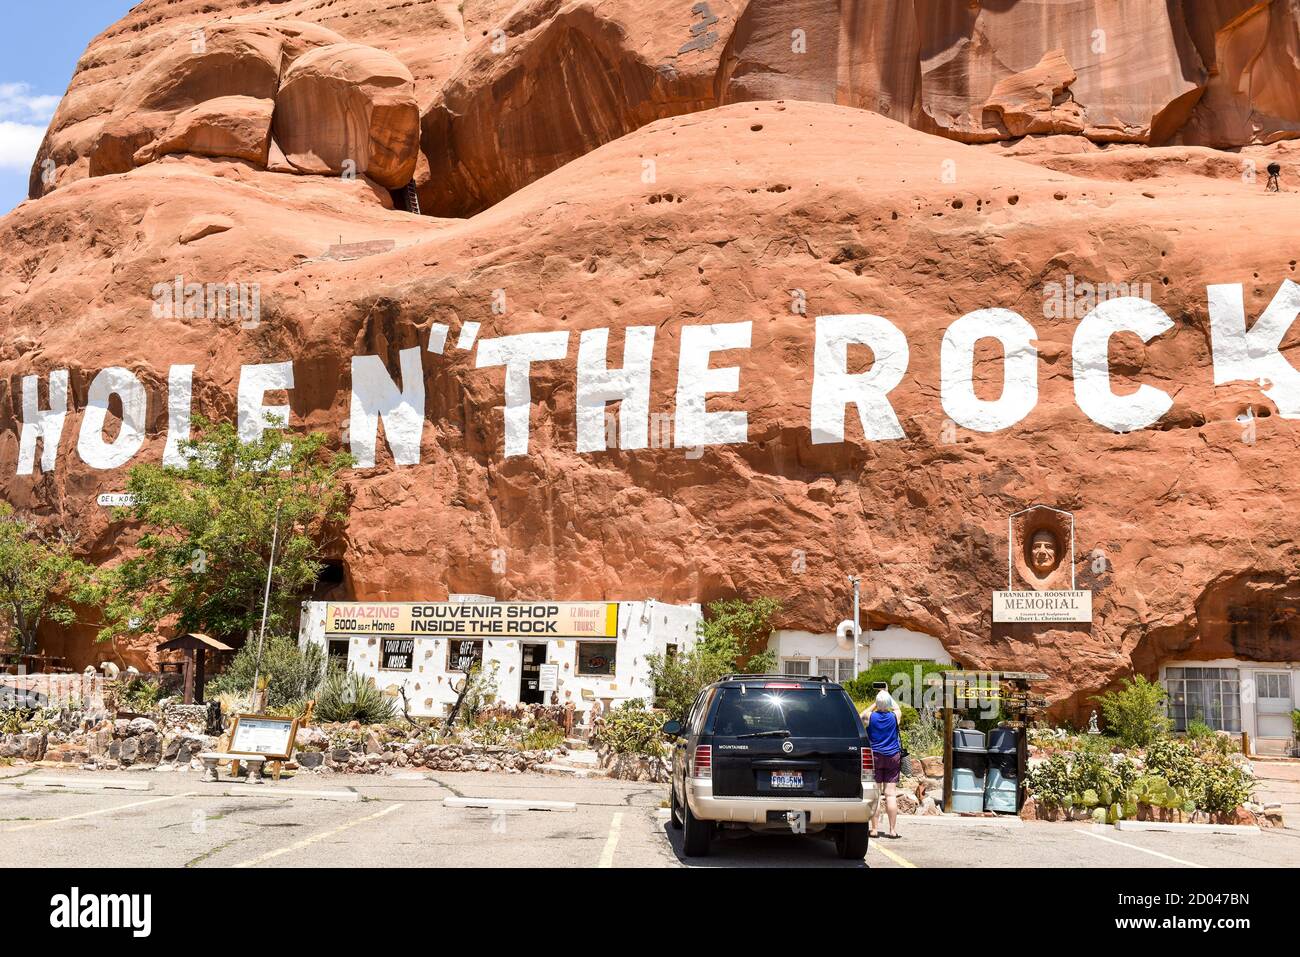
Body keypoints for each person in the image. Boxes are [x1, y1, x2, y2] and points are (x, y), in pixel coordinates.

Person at [865, 689, 903, 839]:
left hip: (875, 757)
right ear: (888, 703)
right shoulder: (894, 717)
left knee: (876, 795)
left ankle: (874, 829)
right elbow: (897, 708)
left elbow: (861, 714)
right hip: (893, 756)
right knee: (890, 794)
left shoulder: (870, 717)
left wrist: (875, 704)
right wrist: (887, 697)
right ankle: (892, 830)